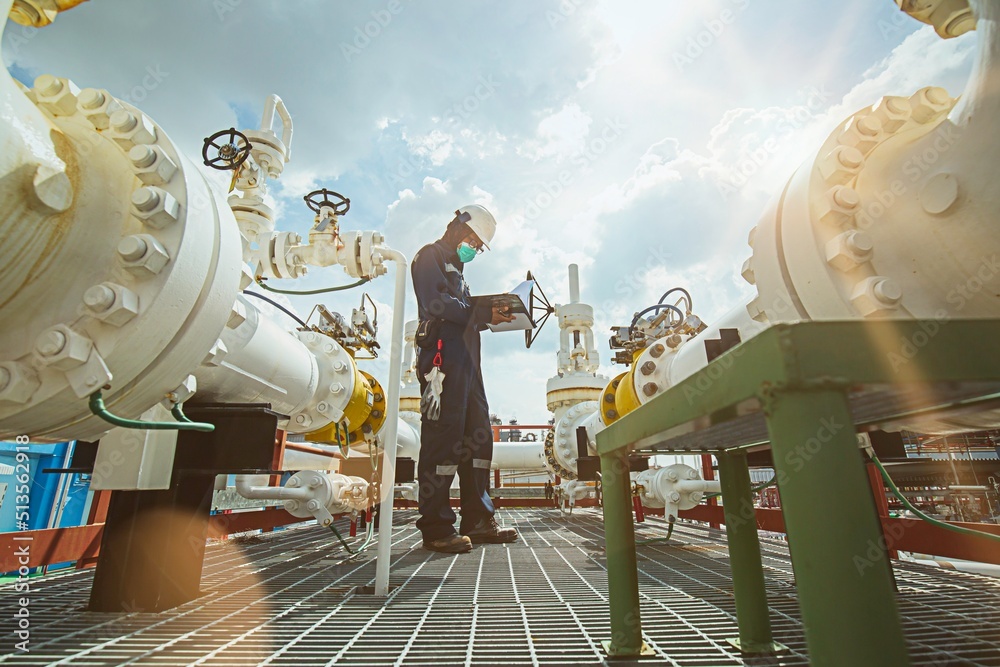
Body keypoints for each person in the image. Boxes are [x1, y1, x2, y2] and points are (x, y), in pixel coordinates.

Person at [411, 204, 520, 554]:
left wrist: (490, 311)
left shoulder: (459, 272)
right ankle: (436, 527)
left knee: (478, 440)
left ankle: (478, 520)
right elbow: (436, 304)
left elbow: (464, 309)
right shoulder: (430, 256)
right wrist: (481, 312)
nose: (474, 247)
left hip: (468, 363)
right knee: (443, 440)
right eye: (472, 239)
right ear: (457, 228)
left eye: (479, 244)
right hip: (441, 361)